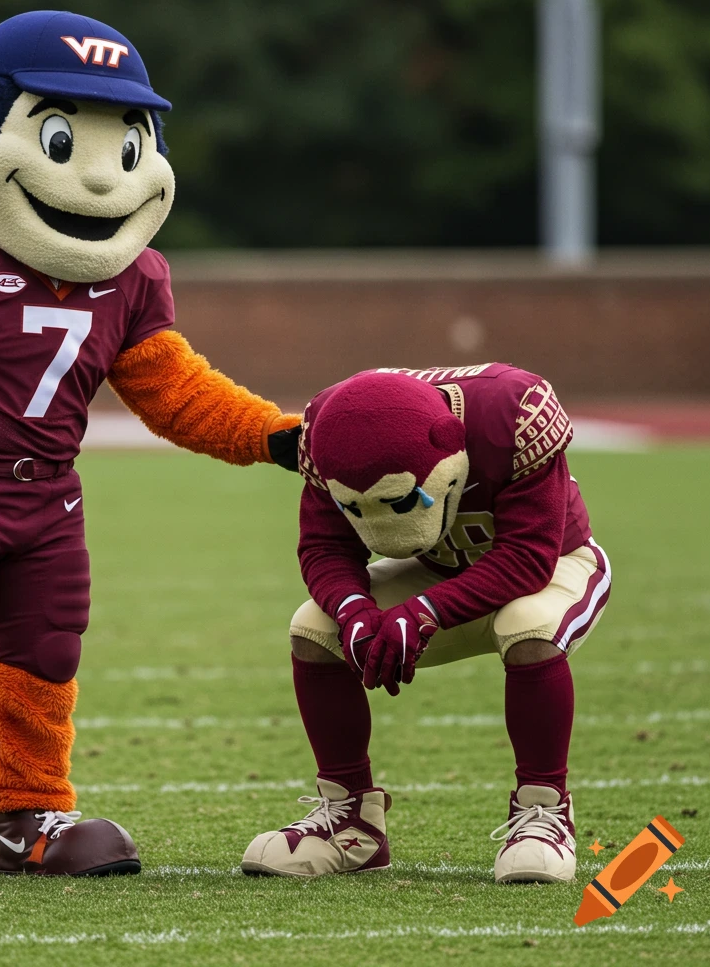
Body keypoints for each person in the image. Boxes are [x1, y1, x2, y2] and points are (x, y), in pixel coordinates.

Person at [0, 11, 300, 883]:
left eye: (125, 148)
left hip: (49, 497)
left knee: (47, 655)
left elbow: (175, 389)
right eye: (62, 138)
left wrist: (272, 434)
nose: (95, 177)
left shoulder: (131, 279)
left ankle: (29, 814)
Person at [241, 363, 611, 884]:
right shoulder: (331, 427)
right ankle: (352, 824)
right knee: (315, 626)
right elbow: (325, 548)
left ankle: (544, 812)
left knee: (528, 624)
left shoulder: (512, 412)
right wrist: (354, 613)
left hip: (555, 566)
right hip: (437, 570)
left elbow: (529, 557)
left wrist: (423, 613)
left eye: (401, 501)